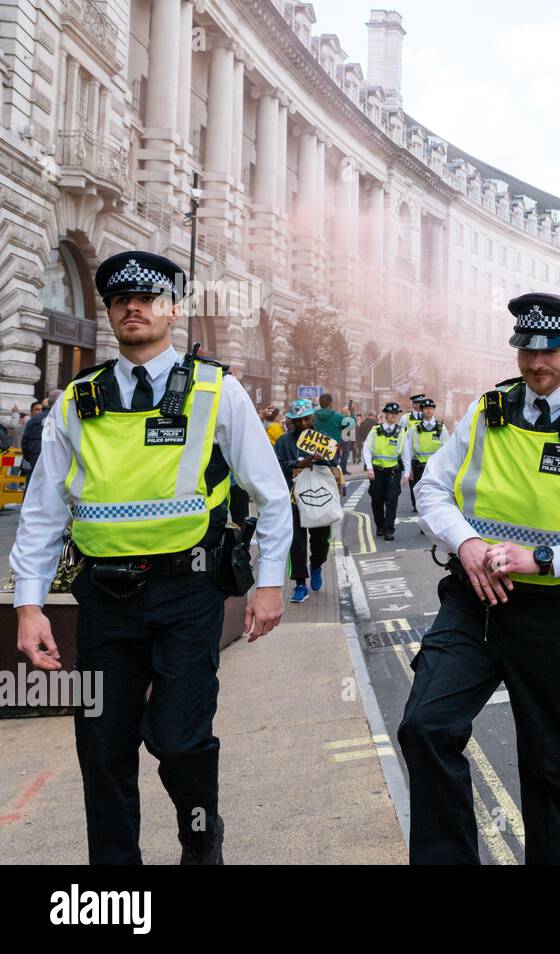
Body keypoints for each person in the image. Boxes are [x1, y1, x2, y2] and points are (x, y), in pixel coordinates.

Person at [9, 250, 290, 864]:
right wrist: (28, 605)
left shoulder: (217, 389)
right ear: (109, 312)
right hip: (104, 601)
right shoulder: (77, 401)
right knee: (102, 746)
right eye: (118, 300)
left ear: (173, 309)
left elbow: (271, 495)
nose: (132, 308)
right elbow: (42, 514)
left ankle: (199, 837)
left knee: (181, 741)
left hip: (188, 595)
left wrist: (270, 583)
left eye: (147, 298)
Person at [399, 292, 560, 864]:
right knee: (425, 727)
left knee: (548, 764)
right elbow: (431, 489)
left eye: (550, 351)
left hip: (555, 614)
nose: (536, 364)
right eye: (526, 350)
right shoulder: (487, 409)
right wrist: (467, 544)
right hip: (474, 602)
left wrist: (541, 561)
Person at [277, 398, 343, 604]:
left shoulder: (321, 438)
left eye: (306, 419)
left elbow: (335, 461)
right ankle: (299, 584)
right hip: (293, 498)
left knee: (321, 540)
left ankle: (317, 564)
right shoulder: (284, 442)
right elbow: (277, 466)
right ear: (291, 421)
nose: (303, 424)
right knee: (296, 542)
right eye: (298, 421)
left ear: (312, 418)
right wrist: (298, 463)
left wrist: (322, 458)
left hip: (319, 497)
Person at [363, 402, 409, 541]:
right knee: (377, 500)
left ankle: (389, 529)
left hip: (393, 471)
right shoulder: (375, 430)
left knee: (391, 500)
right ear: (386, 414)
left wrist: (407, 473)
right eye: (391, 413)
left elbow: (406, 453)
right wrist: (369, 468)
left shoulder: (401, 431)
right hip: (377, 471)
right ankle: (380, 526)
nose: (394, 416)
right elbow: (366, 449)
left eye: (396, 414)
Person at [406, 396, 444, 515]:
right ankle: (424, 518)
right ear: (421, 411)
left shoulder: (441, 428)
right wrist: (409, 469)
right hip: (419, 467)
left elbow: (446, 448)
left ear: (433, 410)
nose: (428, 410)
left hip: (435, 468)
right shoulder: (415, 429)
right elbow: (409, 449)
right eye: (426, 408)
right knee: (421, 495)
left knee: (435, 495)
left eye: (430, 408)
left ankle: (432, 518)